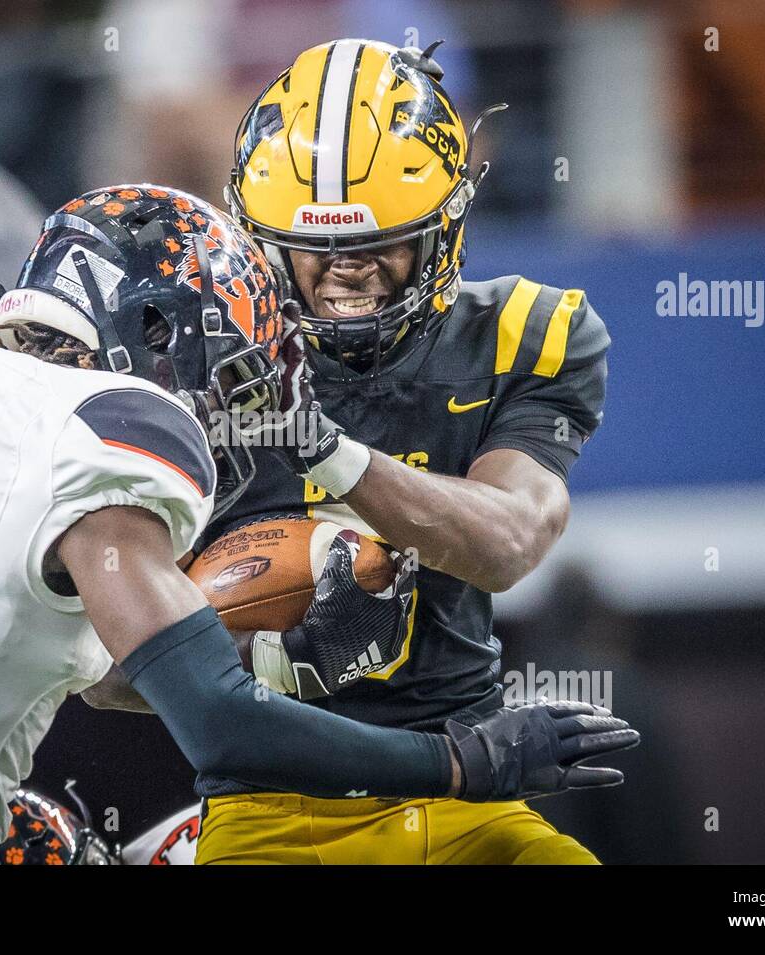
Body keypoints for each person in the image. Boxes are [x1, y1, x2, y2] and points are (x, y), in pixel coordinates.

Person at [0, 185, 637, 864]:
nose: (213, 385)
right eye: (214, 344)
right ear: (153, 324)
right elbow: (221, 729)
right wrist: (466, 759)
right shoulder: (106, 427)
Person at [198, 39, 620, 864]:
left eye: (379, 243)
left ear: (447, 228)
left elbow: (505, 543)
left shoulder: (522, 334)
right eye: (312, 245)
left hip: (465, 801)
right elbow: (102, 664)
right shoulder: (190, 366)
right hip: (270, 810)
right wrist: (274, 659)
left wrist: (326, 453)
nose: (343, 274)